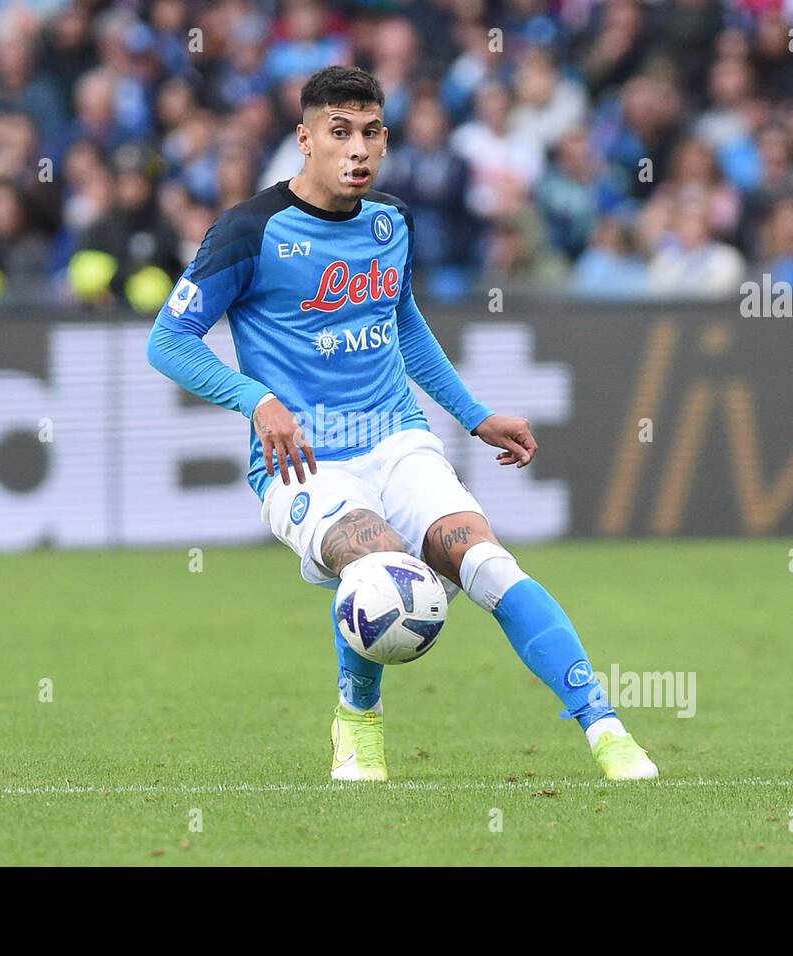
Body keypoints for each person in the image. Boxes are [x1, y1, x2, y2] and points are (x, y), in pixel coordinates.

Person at [147, 66, 657, 783]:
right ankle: (358, 722)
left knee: (489, 566)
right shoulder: (249, 231)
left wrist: (474, 415)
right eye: (339, 132)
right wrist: (256, 400)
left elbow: (403, 322)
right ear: (305, 139)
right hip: (307, 463)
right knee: (379, 566)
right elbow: (168, 341)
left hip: (398, 438)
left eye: (371, 132)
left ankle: (606, 729)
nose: (357, 149)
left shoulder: (391, 221)